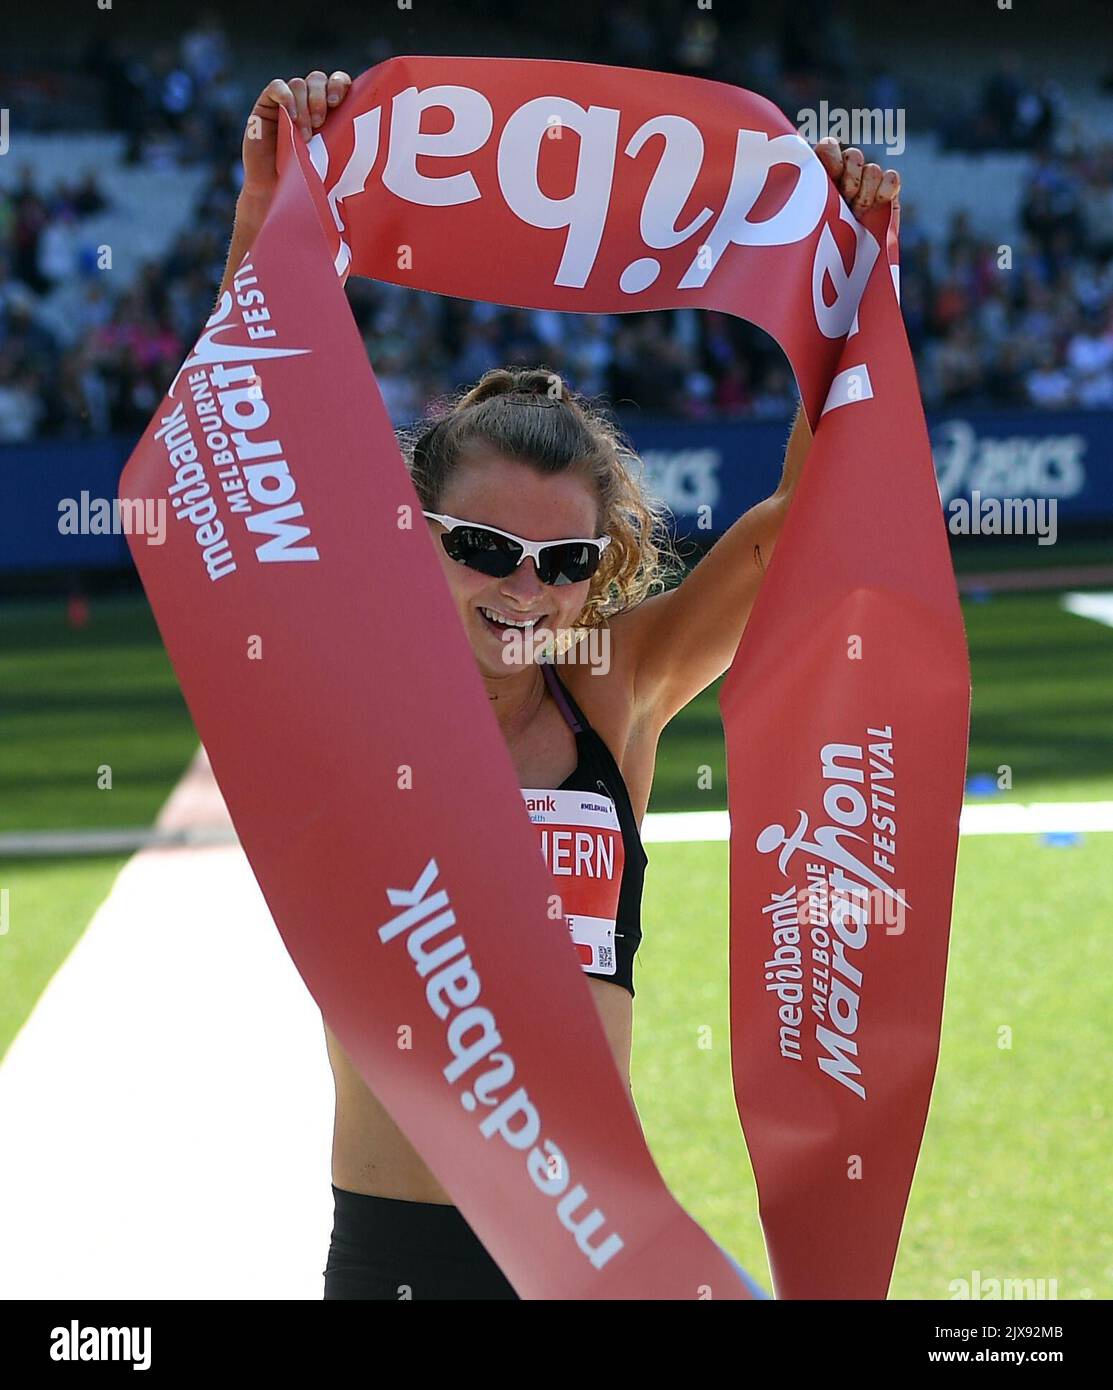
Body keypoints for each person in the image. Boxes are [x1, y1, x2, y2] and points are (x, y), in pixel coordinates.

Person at [217, 70, 901, 1301]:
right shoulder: (347, 698)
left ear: (601, 573)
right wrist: (267, 221)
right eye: (482, 549)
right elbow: (250, 433)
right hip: (399, 1261)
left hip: (593, 1257)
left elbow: (810, 515)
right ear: (412, 539)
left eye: (564, 562)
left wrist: (843, 292)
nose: (522, 591)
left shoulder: (617, 689)